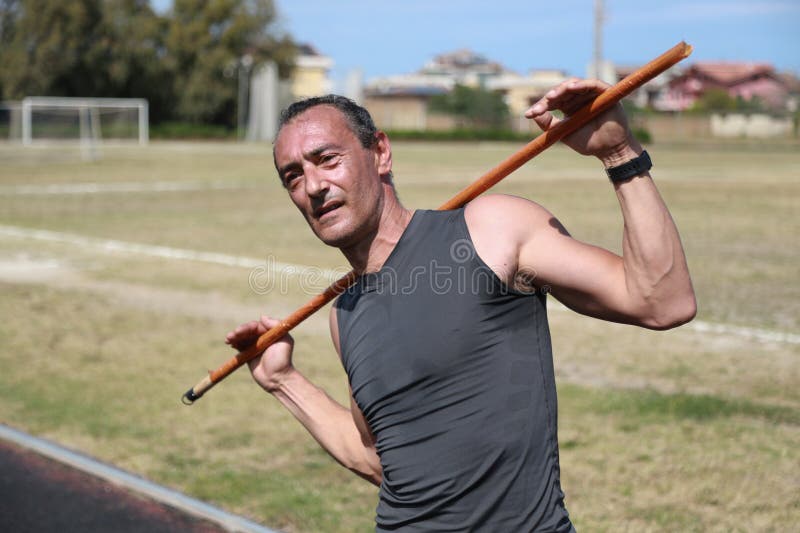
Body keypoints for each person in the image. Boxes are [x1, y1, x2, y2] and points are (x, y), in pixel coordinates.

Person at [226, 78, 696, 531]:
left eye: (326, 159)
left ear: (380, 152)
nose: (313, 186)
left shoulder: (490, 229)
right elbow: (378, 460)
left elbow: (662, 300)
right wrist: (282, 381)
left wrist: (619, 154)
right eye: (293, 176)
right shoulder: (344, 314)